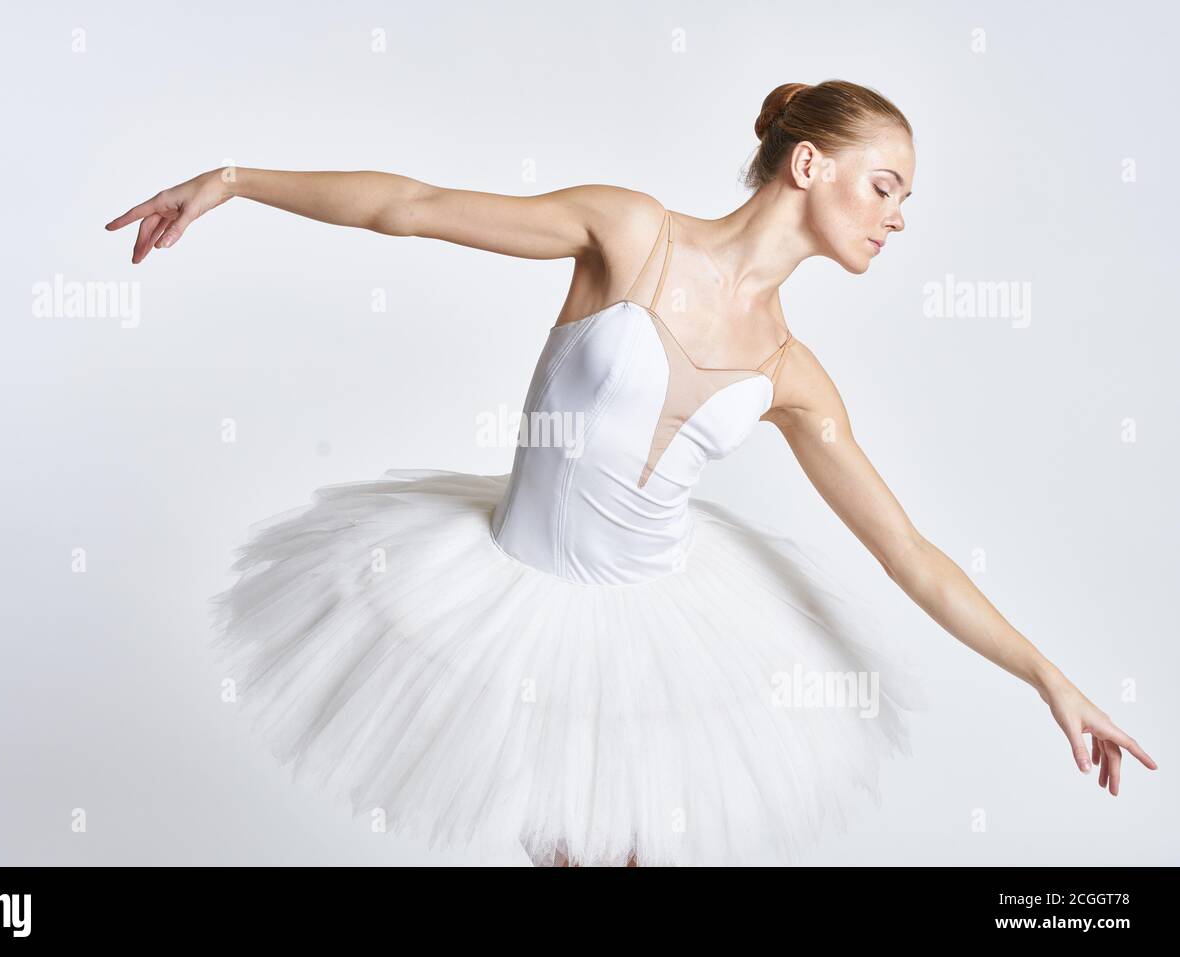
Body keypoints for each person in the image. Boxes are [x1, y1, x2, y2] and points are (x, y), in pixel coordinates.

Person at [105, 79, 1157, 867]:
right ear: (805, 166)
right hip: (511, 595)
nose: (895, 216)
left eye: (903, 200)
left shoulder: (793, 373)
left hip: (656, 631)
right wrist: (234, 182)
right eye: (883, 186)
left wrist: (1049, 681)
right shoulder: (629, 234)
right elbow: (414, 205)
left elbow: (912, 557)